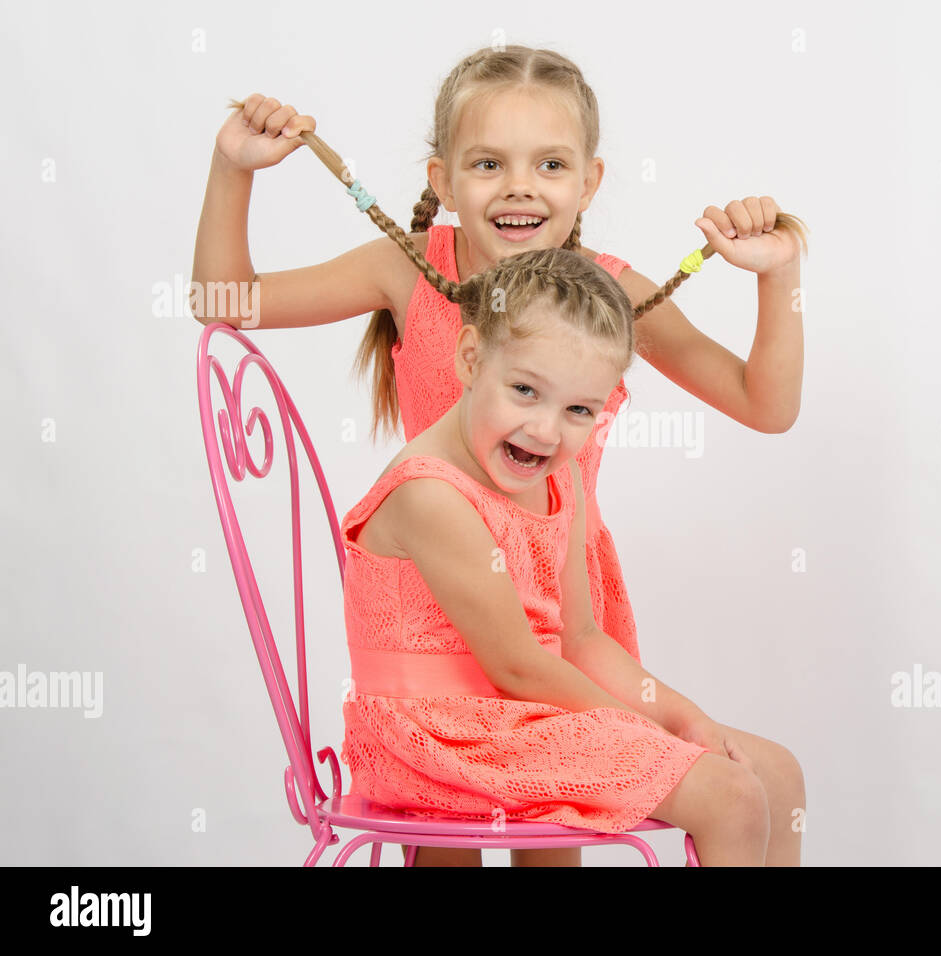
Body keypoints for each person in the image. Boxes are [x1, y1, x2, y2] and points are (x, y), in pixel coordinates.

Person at [191, 44, 807, 864]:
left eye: (550, 163)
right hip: (442, 609)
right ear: (443, 180)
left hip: (561, 601)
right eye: (489, 163)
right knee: (454, 846)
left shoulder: (610, 296)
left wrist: (778, 277)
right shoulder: (407, 271)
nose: (520, 186)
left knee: (574, 840)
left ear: (588, 182)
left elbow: (765, 406)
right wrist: (235, 168)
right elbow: (221, 302)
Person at [339, 247, 804, 866]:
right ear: (471, 357)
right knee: (731, 798)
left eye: (579, 410)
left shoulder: (561, 480)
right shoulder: (432, 494)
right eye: (525, 390)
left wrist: (684, 718)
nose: (546, 431)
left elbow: (581, 638)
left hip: (518, 719)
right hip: (442, 736)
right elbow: (521, 668)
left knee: (776, 773)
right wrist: (648, 733)